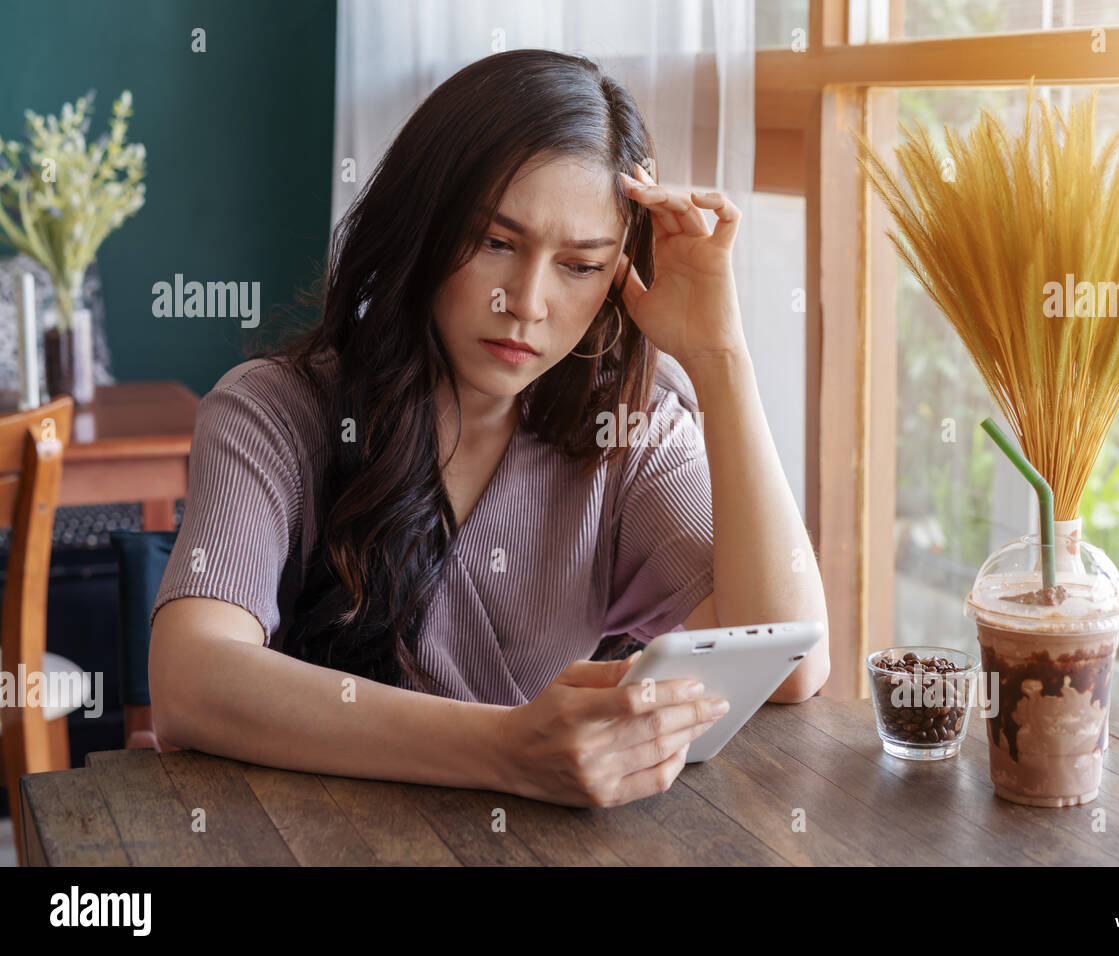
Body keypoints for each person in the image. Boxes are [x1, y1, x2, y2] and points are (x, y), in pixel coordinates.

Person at [149, 49, 828, 809]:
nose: (527, 303)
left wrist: (720, 359)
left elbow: (790, 660)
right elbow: (190, 678)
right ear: (424, 224)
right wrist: (507, 749)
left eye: (578, 265)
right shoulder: (272, 411)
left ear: (614, 280)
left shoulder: (628, 430)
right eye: (497, 243)